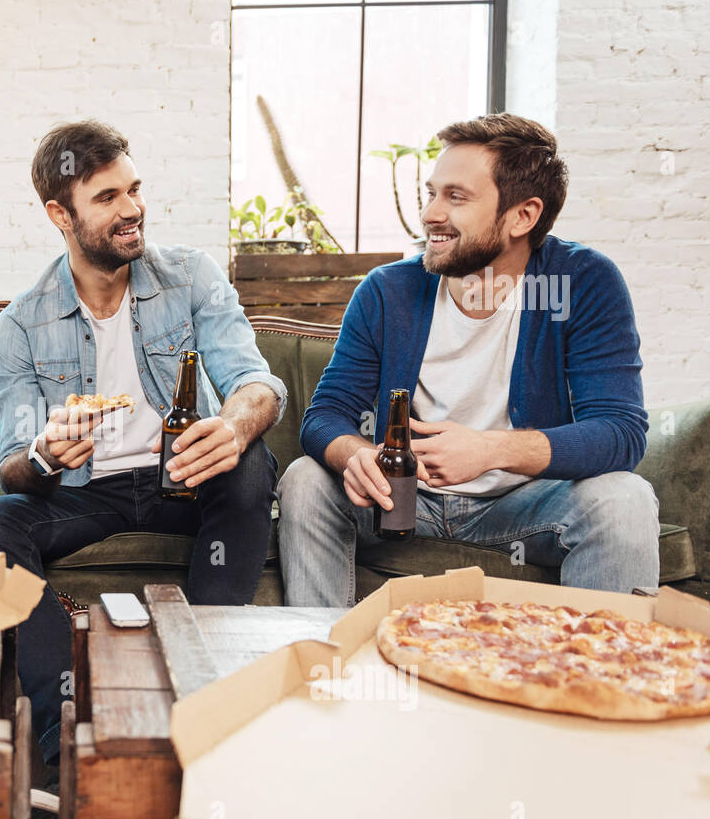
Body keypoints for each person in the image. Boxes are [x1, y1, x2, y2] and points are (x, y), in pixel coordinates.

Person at [0, 119, 286, 790]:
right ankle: (62, 739)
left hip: (182, 482)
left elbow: (257, 384)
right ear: (61, 214)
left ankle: (201, 692)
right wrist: (47, 454)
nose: (133, 209)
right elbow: (12, 465)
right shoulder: (20, 324)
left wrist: (233, 426)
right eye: (107, 197)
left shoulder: (190, 277)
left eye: (134, 190)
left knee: (250, 464)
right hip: (88, 494)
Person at [277, 113, 658, 608]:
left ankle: (595, 679)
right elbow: (325, 415)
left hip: (523, 506)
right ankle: (323, 664)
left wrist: (489, 451)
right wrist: (356, 456)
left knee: (623, 499)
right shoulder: (388, 290)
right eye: (432, 193)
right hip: (400, 503)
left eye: (456, 197)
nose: (432, 213)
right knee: (304, 479)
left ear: (523, 216)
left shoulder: (582, 282)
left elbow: (620, 432)